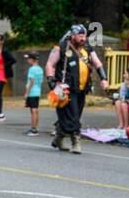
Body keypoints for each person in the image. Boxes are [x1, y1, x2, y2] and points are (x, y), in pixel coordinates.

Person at [45, 25, 109, 153]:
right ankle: (76, 141)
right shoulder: (61, 47)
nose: (83, 38)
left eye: (84, 36)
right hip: (66, 89)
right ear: (73, 35)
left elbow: (97, 62)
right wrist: (51, 80)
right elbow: (50, 64)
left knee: (75, 114)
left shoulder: (87, 47)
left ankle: (59, 137)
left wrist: (103, 78)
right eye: (80, 36)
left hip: (82, 89)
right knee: (73, 115)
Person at [24, 54, 45, 136]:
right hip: (37, 91)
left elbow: (31, 81)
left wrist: (26, 93)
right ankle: (34, 127)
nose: (28, 60)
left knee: (33, 111)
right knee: (35, 110)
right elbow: (40, 81)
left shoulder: (32, 69)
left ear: (33, 60)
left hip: (32, 92)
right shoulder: (40, 69)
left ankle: (34, 130)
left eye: (29, 59)